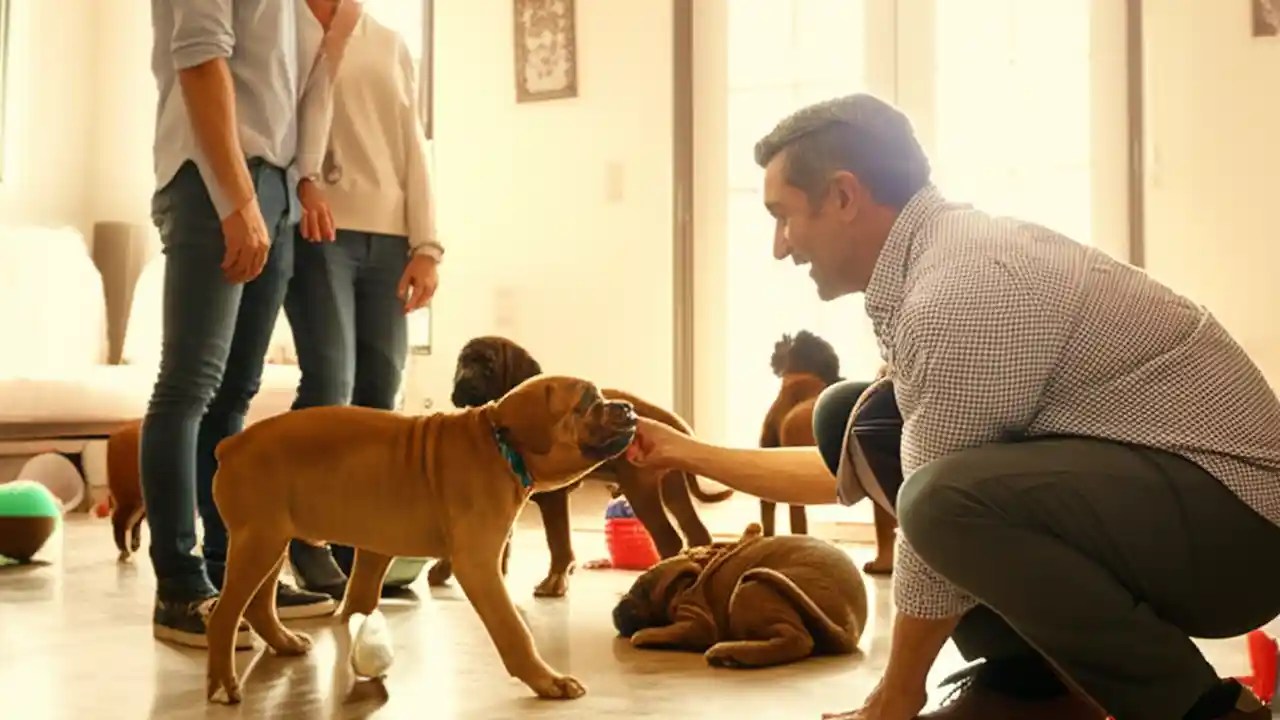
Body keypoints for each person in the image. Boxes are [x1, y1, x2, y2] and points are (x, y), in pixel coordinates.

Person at [624, 93, 1280, 720]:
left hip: (1239, 539)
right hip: (1192, 514)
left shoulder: (960, 292)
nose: (780, 245)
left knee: (942, 499)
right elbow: (856, 478)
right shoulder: (937, 265)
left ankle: (1201, 711)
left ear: (845, 196)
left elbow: (932, 514)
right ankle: (1036, 691)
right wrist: (685, 452)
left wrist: (896, 696)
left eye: (784, 215)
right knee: (854, 420)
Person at [141, 0, 357, 648]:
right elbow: (200, 61)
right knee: (188, 388)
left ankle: (228, 577)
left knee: (233, 395)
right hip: (215, 179)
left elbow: (284, 88)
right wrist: (237, 200)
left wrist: (290, 188)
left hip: (277, 185)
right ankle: (179, 588)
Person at [282, 1, 442, 597]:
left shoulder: (390, 42)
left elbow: (412, 142)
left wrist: (427, 244)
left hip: (392, 237)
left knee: (380, 395)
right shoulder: (285, 29)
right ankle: (301, 529)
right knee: (329, 383)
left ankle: (362, 544)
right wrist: (307, 189)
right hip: (318, 231)